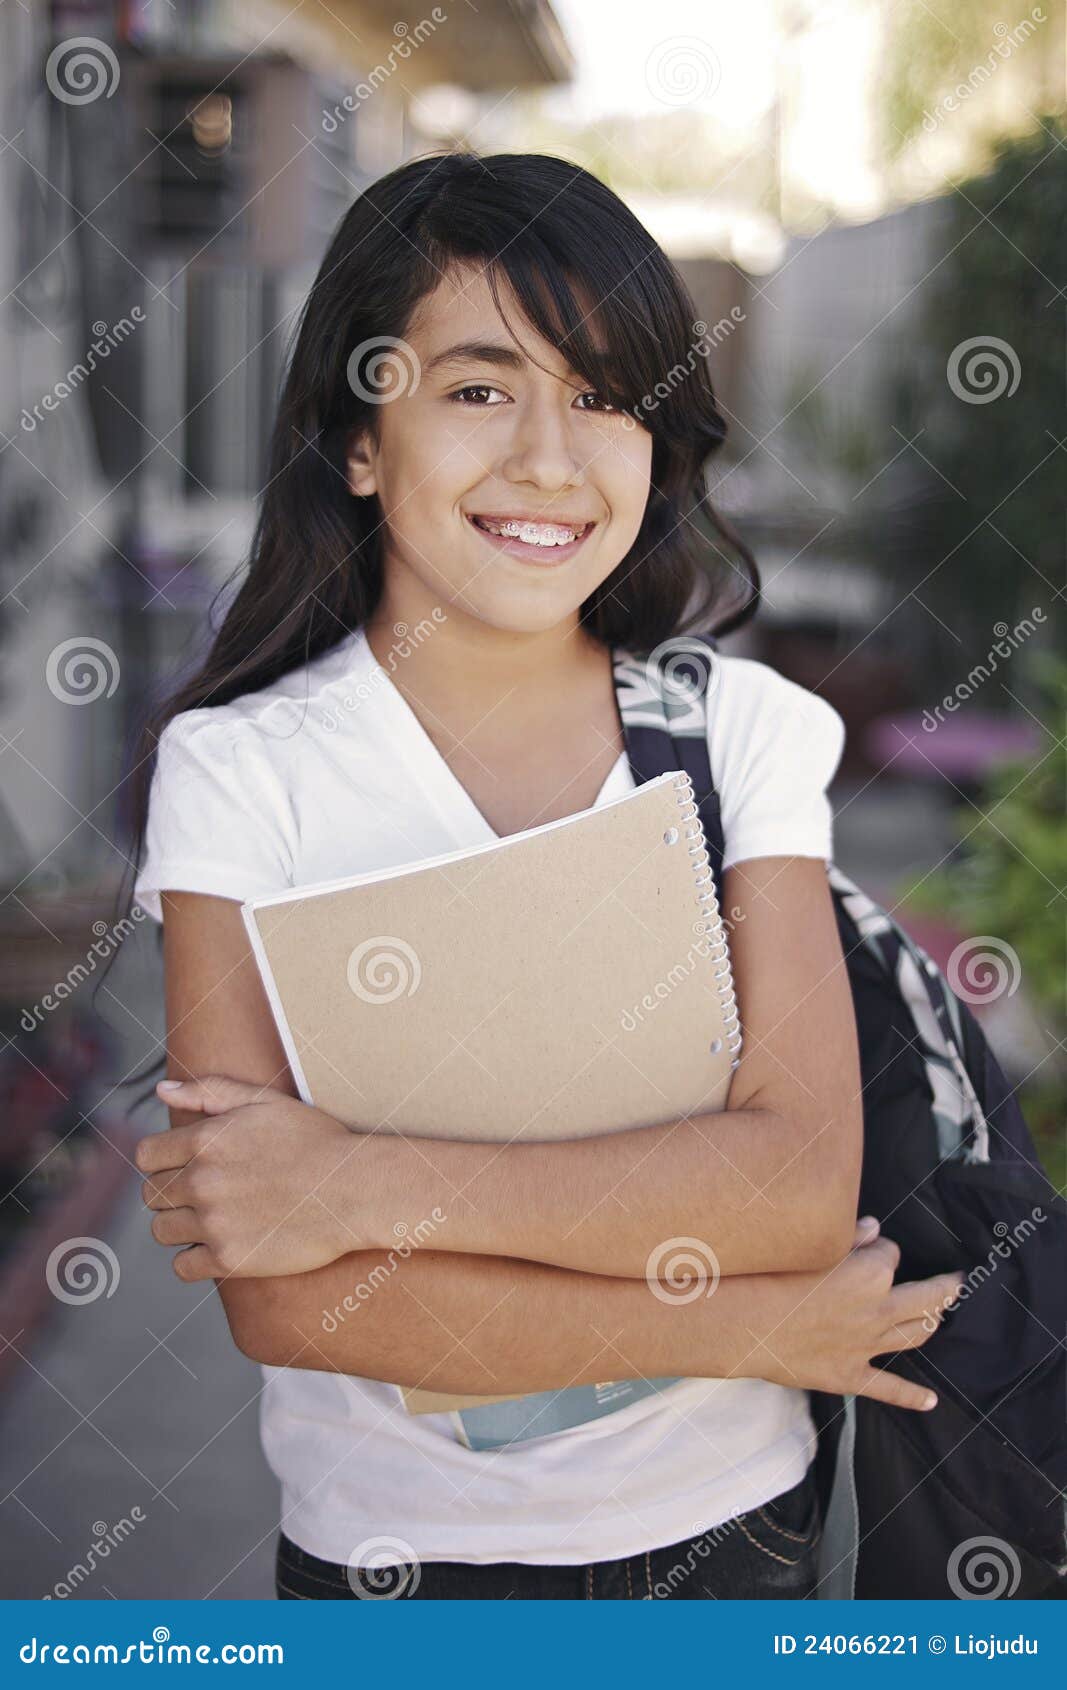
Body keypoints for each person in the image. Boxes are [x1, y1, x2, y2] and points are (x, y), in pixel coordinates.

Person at [127, 152, 962, 1601]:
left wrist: (356, 1181)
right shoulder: (240, 772)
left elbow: (791, 1192)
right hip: (393, 1563)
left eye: (603, 397)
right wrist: (744, 1329)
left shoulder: (738, 734)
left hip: (728, 1543)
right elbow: (288, 1294)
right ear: (357, 435)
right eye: (475, 388)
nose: (550, 460)